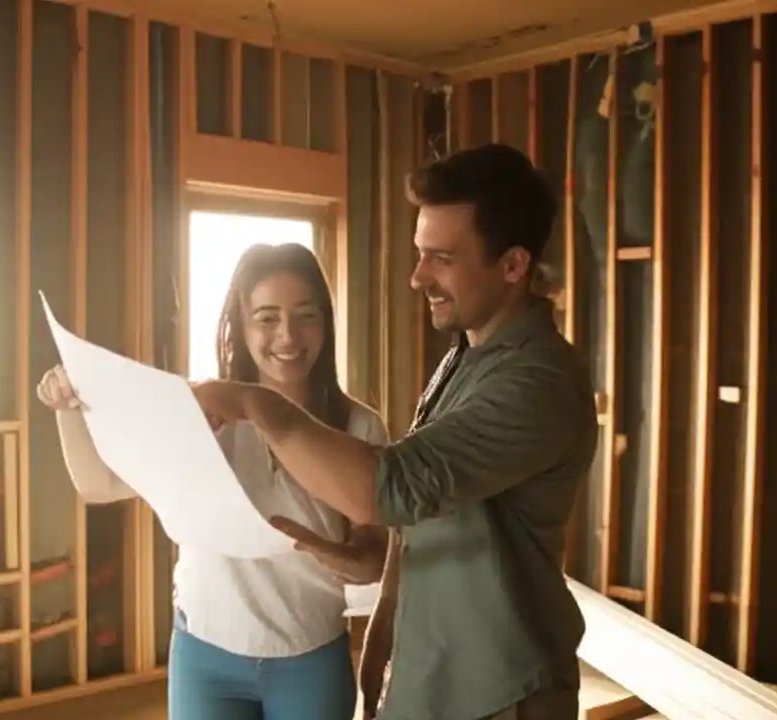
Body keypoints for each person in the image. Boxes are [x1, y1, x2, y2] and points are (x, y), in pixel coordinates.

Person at [192, 143, 598, 720]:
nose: (417, 276)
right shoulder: (468, 354)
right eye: (419, 253)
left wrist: (254, 403)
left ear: (513, 266)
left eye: (442, 258)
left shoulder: (537, 382)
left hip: (502, 692)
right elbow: (419, 520)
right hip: (435, 675)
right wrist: (387, 625)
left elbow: (389, 489)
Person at [36, 243, 390, 720]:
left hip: (310, 655)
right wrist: (68, 412)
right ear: (240, 329)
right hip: (206, 655)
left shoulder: (359, 427)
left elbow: (373, 563)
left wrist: (327, 552)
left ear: (326, 323)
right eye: (266, 318)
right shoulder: (202, 410)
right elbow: (98, 486)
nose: (287, 335)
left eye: (306, 316)